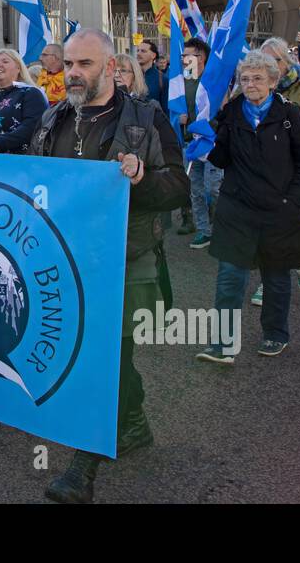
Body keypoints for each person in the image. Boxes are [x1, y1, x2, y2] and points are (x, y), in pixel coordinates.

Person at [32, 30, 189, 503]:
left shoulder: (145, 118)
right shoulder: (52, 118)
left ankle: (83, 466)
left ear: (109, 67)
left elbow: (179, 187)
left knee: (101, 357)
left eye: (83, 64)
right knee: (110, 357)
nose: (73, 72)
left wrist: (141, 180)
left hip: (124, 259)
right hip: (64, 262)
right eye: (69, 64)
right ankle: (134, 424)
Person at [194, 52, 300, 365]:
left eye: (258, 78)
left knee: (275, 277)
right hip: (237, 209)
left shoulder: (289, 113)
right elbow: (221, 159)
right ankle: (223, 344)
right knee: (229, 279)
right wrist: (206, 139)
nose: (251, 84)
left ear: (273, 82)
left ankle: (275, 334)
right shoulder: (231, 112)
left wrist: (294, 201)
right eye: (245, 78)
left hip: (279, 210)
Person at [257, 38, 300, 295]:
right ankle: (270, 282)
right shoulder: (250, 92)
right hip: (261, 175)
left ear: (285, 63)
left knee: (289, 224)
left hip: (293, 175)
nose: (268, 65)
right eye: (264, 59)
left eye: (275, 60)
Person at [180, 37, 222, 249]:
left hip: (211, 143)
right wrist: (180, 118)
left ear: (203, 58)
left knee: (213, 188)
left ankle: (224, 228)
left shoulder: (214, 82)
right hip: (191, 144)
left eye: (191, 55)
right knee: (194, 189)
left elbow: (220, 113)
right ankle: (204, 231)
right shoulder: (182, 81)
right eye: (183, 55)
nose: (186, 59)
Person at [136, 39, 166, 107]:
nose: (138, 53)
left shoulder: (162, 79)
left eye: (143, 51)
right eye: (138, 50)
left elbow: (165, 111)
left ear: (153, 55)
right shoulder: (132, 75)